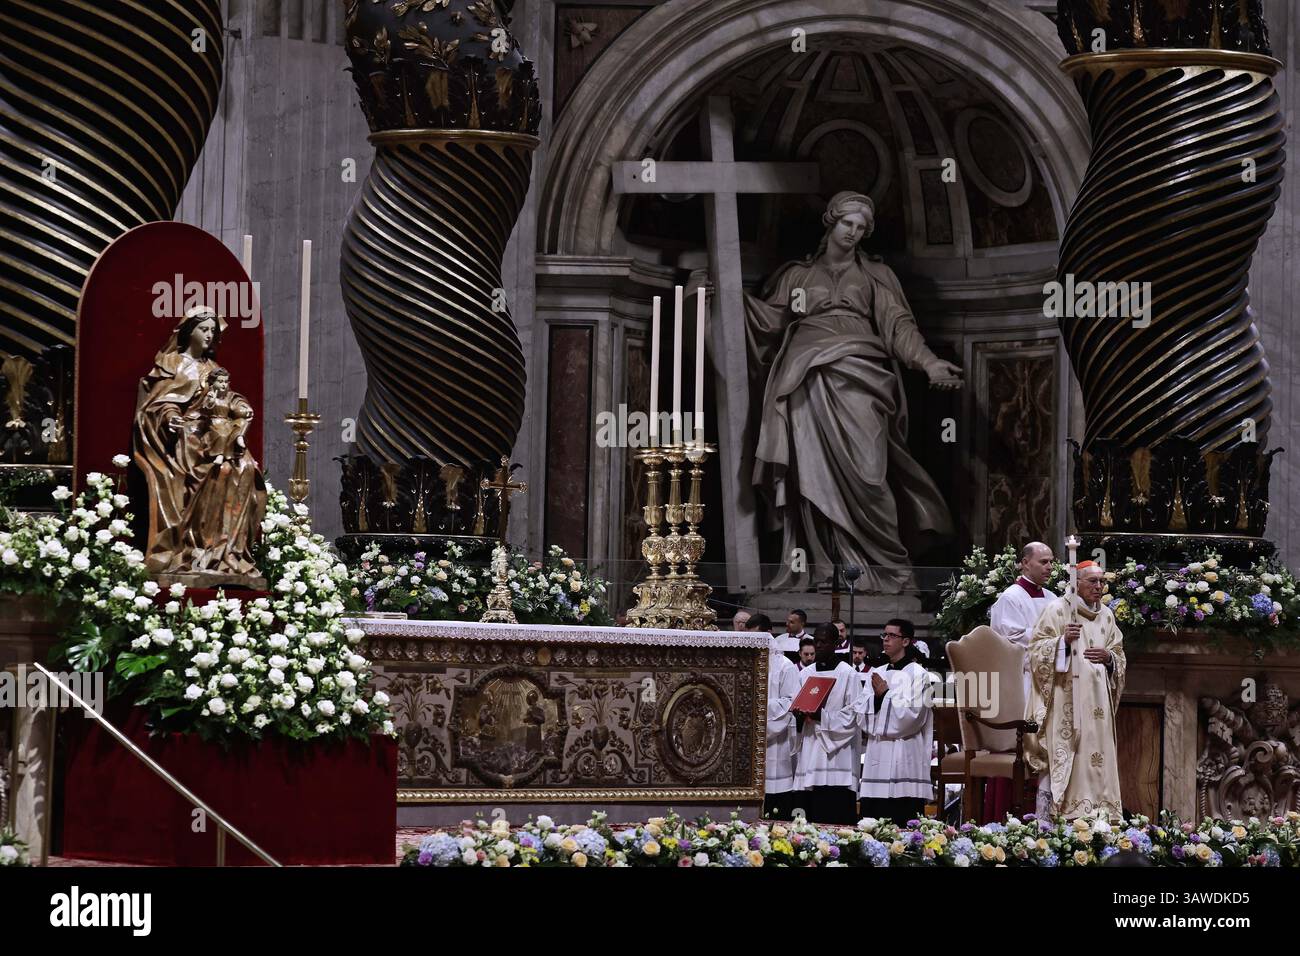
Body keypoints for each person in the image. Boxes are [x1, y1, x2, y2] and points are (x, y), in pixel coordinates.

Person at [746, 191, 962, 594]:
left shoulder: (875, 276)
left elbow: (898, 326)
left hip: (861, 376)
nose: (854, 232)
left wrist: (929, 362)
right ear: (831, 221)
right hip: (804, 379)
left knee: (869, 473)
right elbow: (766, 321)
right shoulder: (795, 276)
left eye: (861, 227)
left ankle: (886, 568)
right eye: (848, 223)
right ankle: (821, 565)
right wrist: (717, 298)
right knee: (808, 472)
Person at [1024, 561, 1125, 821]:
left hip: (1099, 703)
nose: (1099, 587)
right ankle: (1064, 815)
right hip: (1067, 700)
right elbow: (1035, 652)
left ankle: (1102, 815)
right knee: (1072, 754)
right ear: (1076, 582)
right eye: (1093, 581)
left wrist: (1109, 658)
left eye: (1102, 581)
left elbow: (1119, 655)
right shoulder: (1058, 610)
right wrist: (1062, 643)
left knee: (1098, 756)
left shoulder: (1107, 615)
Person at [984, 541, 1056, 821]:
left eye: (1051, 562)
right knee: (1023, 749)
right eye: (1043, 562)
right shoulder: (1010, 598)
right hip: (1023, 683)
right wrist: (1050, 639)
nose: (1049, 567)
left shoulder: (1052, 597)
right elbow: (1008, 641)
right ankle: (1010, 817)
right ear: (1025, 563)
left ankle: (1044, 816)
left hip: (1049, 681)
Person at [856, 621, 933, 824]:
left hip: (905, 755)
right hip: (878, 754)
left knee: (902, 819)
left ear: (906, 641)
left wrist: (885, 695)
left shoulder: (918, 674)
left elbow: (914, 716)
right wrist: (879, 697)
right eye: (884, 635)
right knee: (872, 820)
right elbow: (861, 712)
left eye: (892, 635)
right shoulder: (877, 672)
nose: (886, 639)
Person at [791, 623, 862, 824]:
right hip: (810, 751)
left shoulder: (848, 674)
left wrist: (822, 717)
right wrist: (797, 716)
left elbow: (854, 716)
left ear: (836, 644)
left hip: (836, 757)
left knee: (834, 817)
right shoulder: (805, 674)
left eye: (824, 642)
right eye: (816, 641)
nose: (819, 646)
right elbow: (794, 709)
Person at [763, 632, 801, 819]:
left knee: (776, 802)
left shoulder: (785, 666)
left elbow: (790, 703)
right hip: (749, 744)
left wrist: (758, 709)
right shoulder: (744, 662)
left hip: (776, 743)